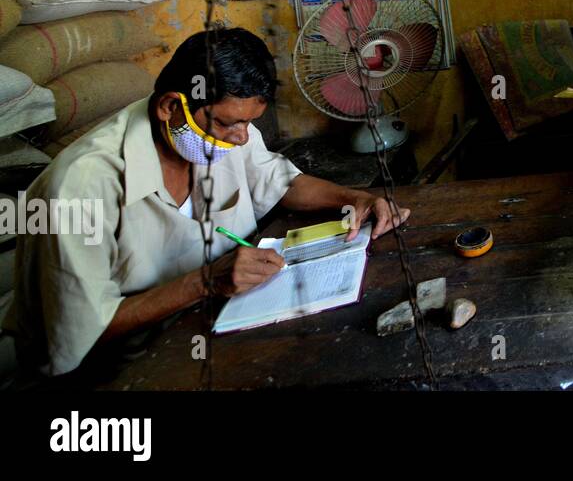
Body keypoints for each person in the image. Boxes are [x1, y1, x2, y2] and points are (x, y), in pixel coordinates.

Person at [3, 28, 410, 379]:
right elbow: (80, 331)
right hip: (120, 369)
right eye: (231, 124)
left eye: (249, 122)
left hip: (215, 322)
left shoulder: (220, 131)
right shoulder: (79, 188)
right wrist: (206, 281)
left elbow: (280, 181)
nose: (242, 138)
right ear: (169, 107)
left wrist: (355, 198)